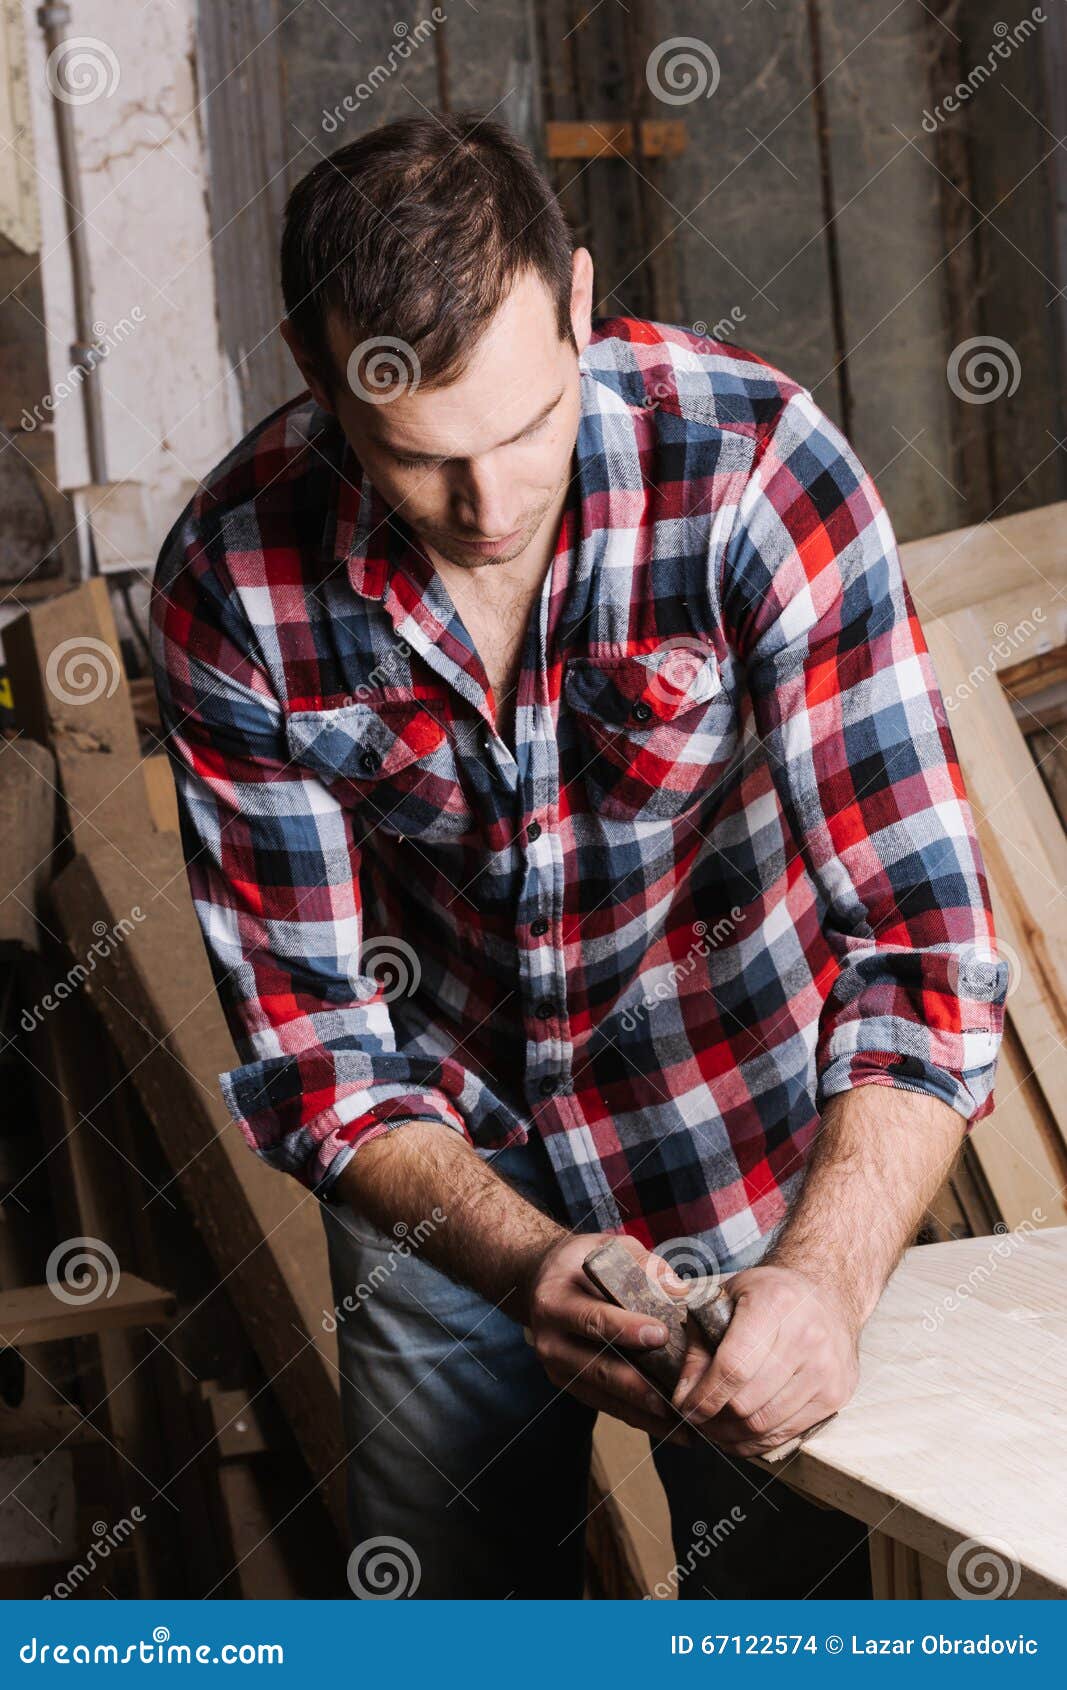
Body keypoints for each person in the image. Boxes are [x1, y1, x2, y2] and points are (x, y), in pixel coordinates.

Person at [151, 112, 1006, 1600]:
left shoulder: (750, 470)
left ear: (581, 295)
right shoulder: (235, 579)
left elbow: (925, 952)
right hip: (444, 1165)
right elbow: (319, 1050)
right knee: (457, 1620)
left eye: (528, 428)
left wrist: (828, 1275)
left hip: (744, 1140)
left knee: (777, 1622)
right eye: (420, 462)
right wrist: (514, 1255)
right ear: (314, 363)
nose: (488, 513)